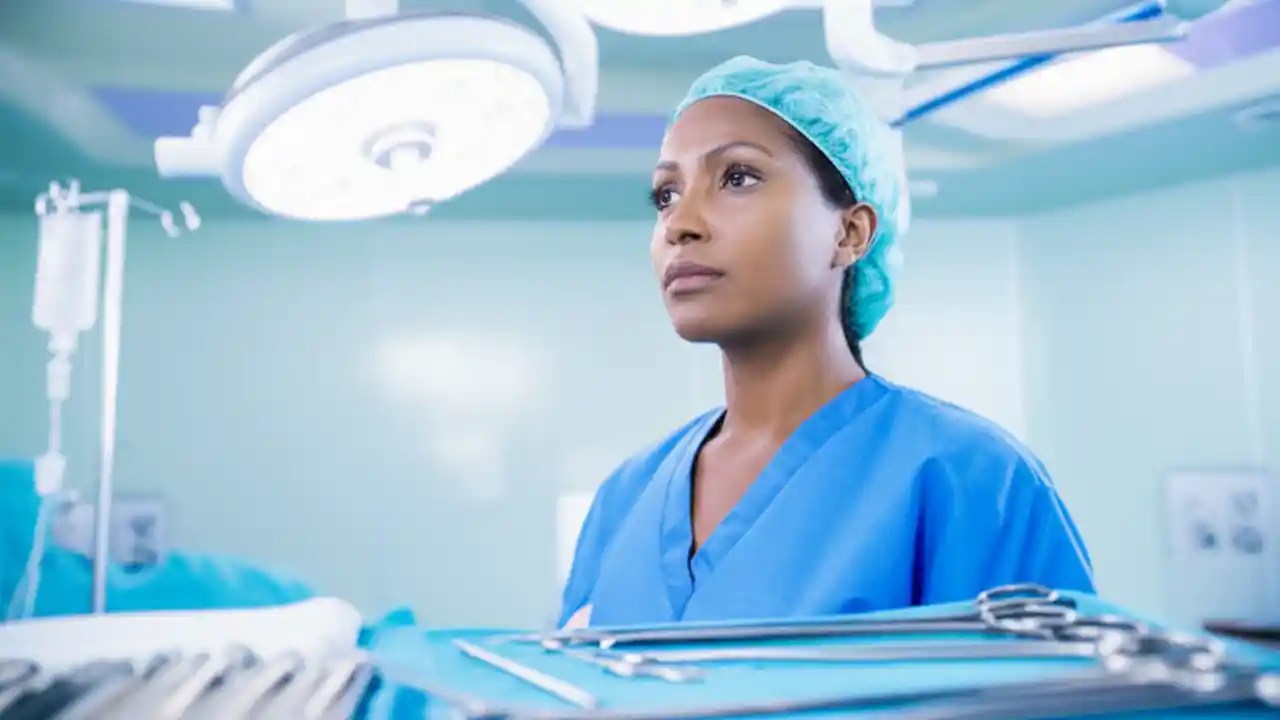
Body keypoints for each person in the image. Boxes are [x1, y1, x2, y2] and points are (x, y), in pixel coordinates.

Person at [558, 56, 1095, 629]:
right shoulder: (625, 498)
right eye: (665, 194)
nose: (679, 224)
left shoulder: (972, 480)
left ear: (850, 232)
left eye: (738, 177)